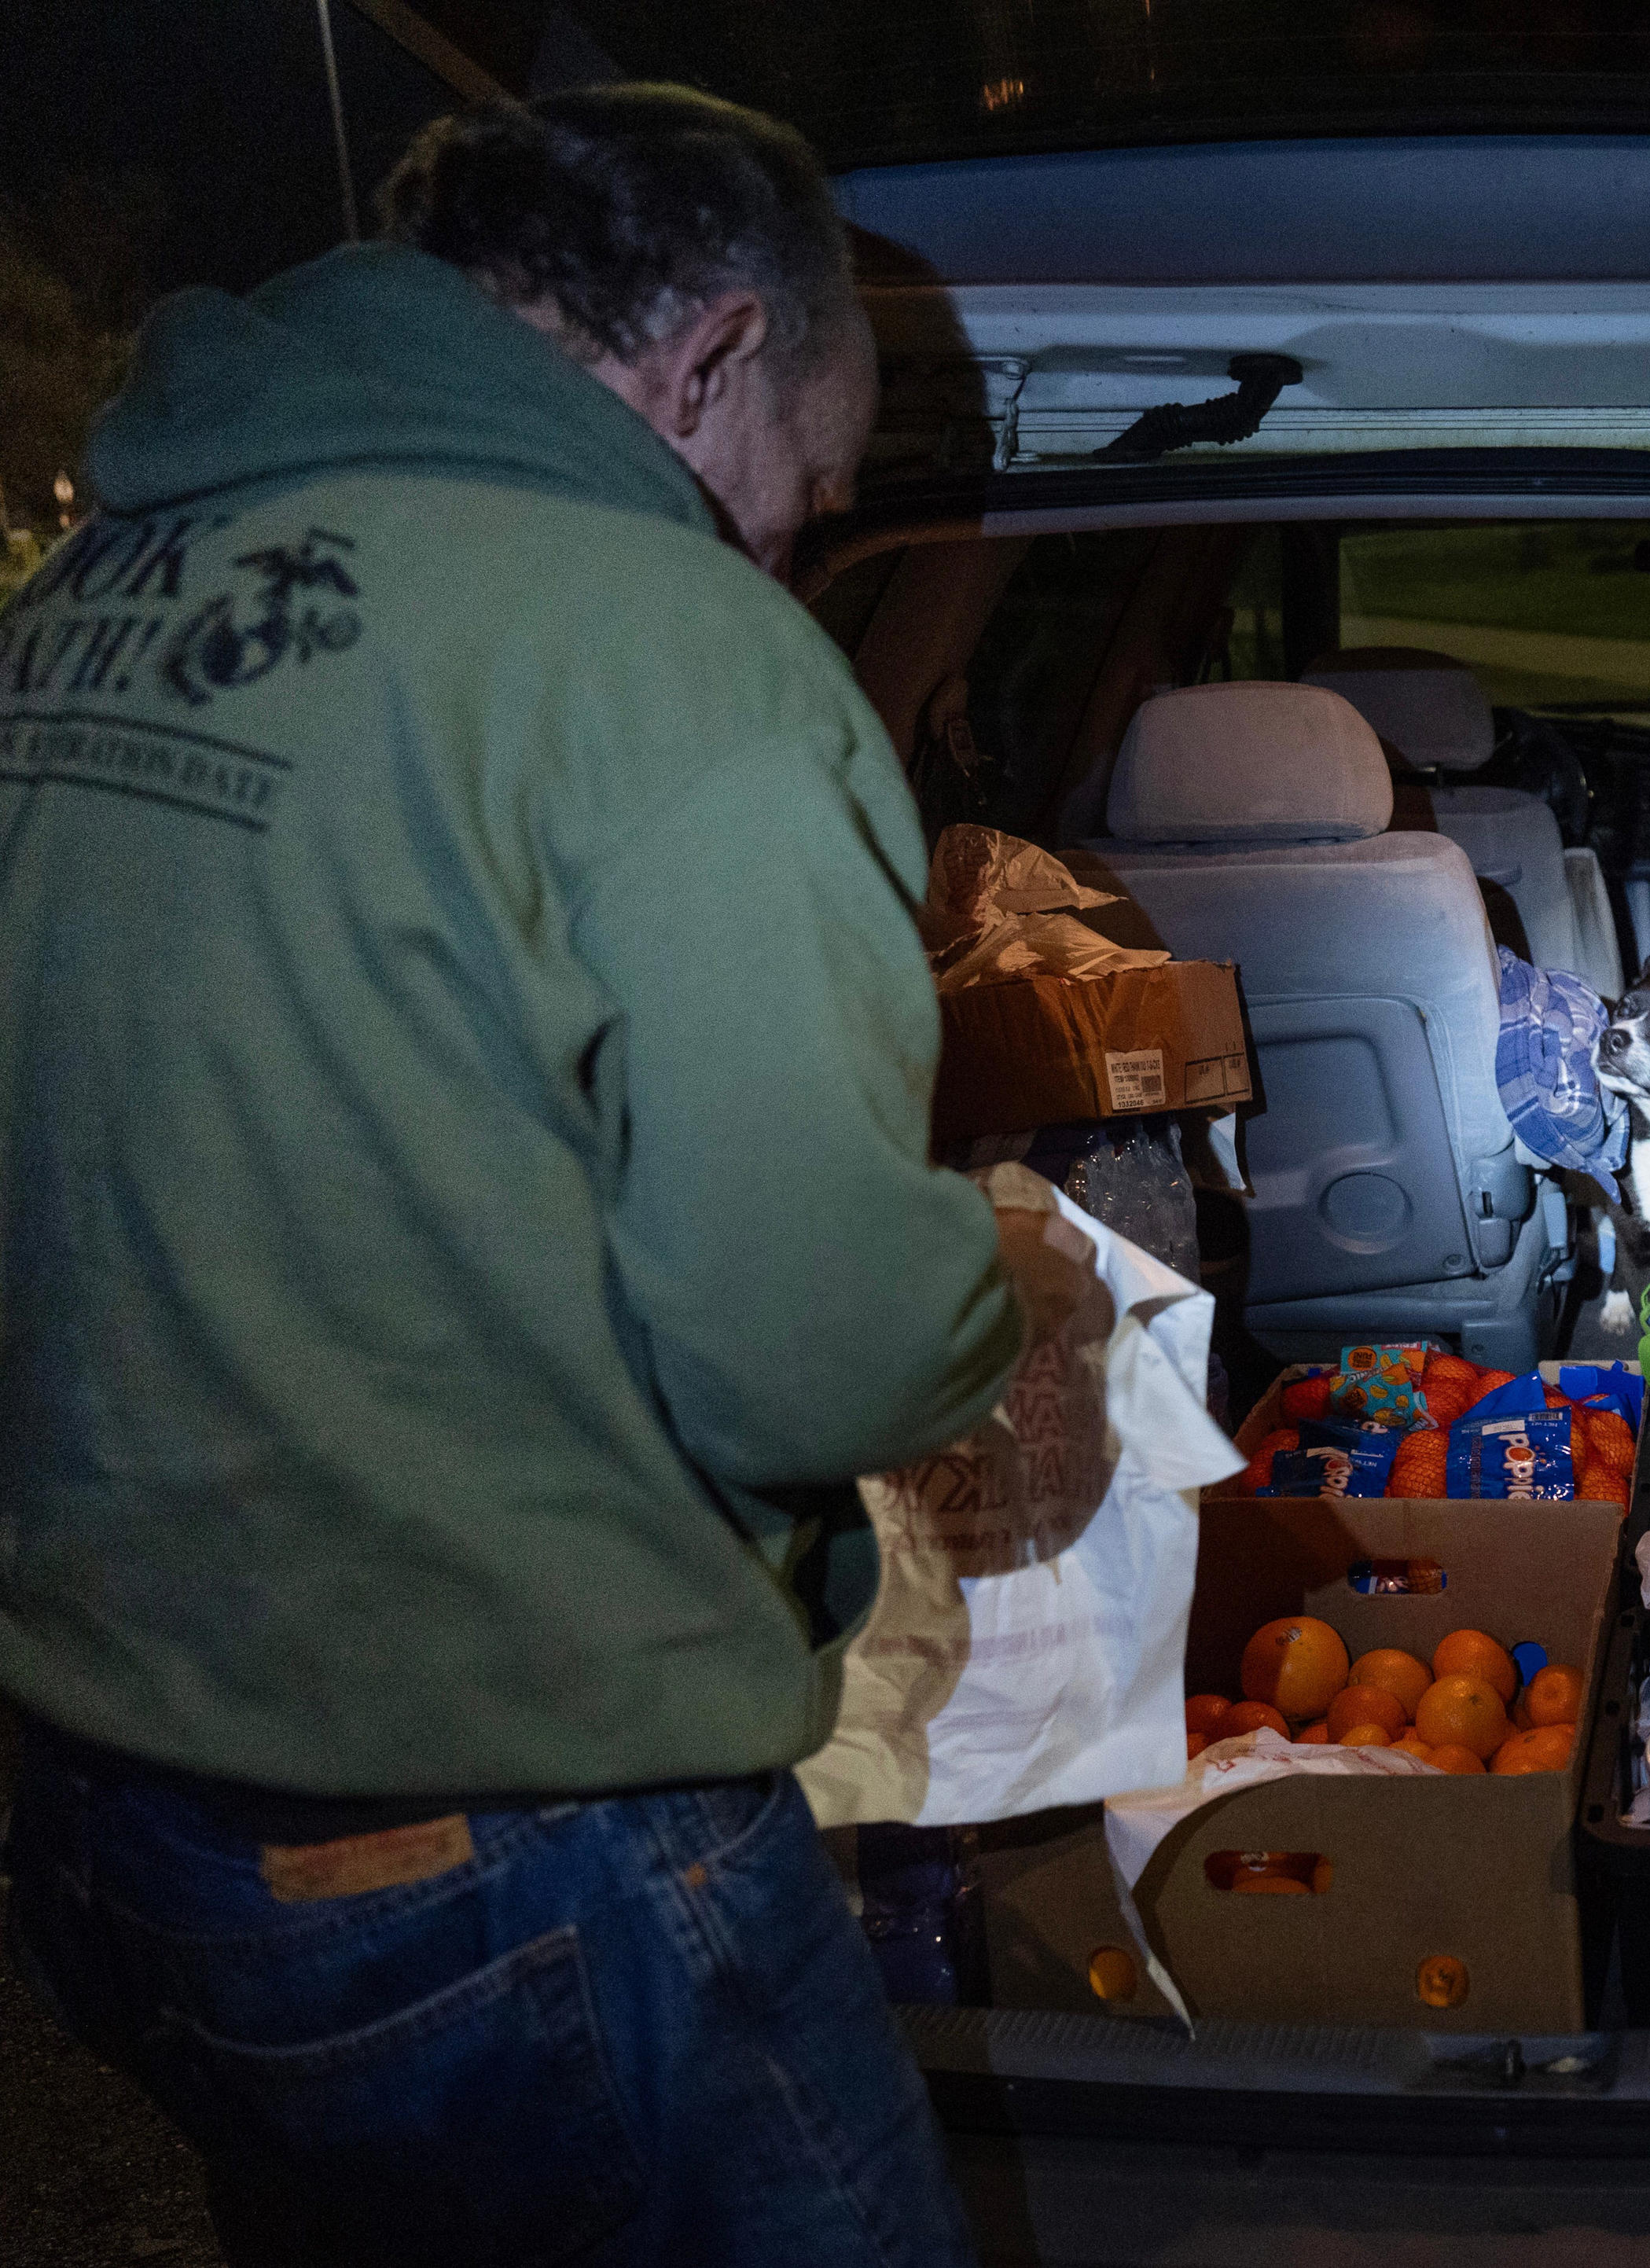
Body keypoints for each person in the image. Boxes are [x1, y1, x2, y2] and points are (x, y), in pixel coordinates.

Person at [0, 87, 1057, 2266]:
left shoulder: (87, 599)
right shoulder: (669, 654)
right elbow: (817, 1361)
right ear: (708, 364)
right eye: (806, 509)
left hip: (111, 1803)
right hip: (515, 1832)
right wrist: (985, 1267)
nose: (784, 559)